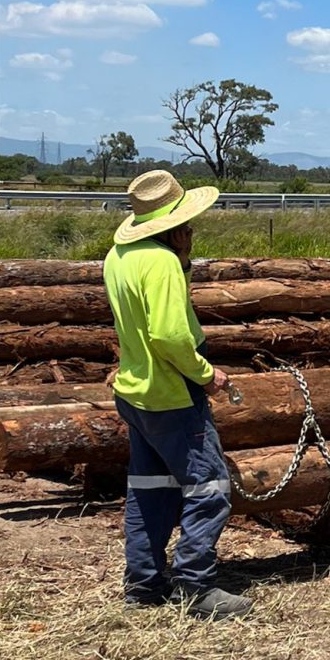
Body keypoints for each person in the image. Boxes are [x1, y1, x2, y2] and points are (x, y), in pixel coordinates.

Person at [102, 171, 250, 620]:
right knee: (210, 488)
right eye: (187, 223)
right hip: (171, 396)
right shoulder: (161, 263)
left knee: (150, 490)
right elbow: (168, 335)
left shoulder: (118, 256)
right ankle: (195, 585)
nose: (192, 231)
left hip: (135, 393)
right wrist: (206, 375)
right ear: (174, 225)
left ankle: (143, 585)